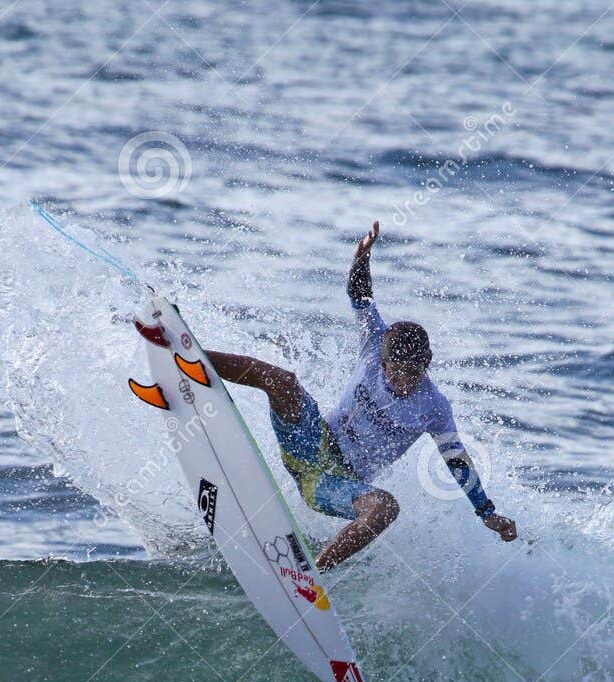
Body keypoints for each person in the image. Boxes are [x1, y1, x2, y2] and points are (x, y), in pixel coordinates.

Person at [207, 222, 517, 569]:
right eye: (394, 371)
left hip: (335, 483)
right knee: (283, 381)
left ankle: (313, 575)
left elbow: (457, 460)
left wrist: (487, 513)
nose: (402, 381)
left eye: (413, 373)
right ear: (382, 361)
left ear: (426, 365)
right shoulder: (373, 344)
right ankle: (192, 358)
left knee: (385, 508)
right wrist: (362, 256)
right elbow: (360, 296)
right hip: (311, 441)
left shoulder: (434, 407)